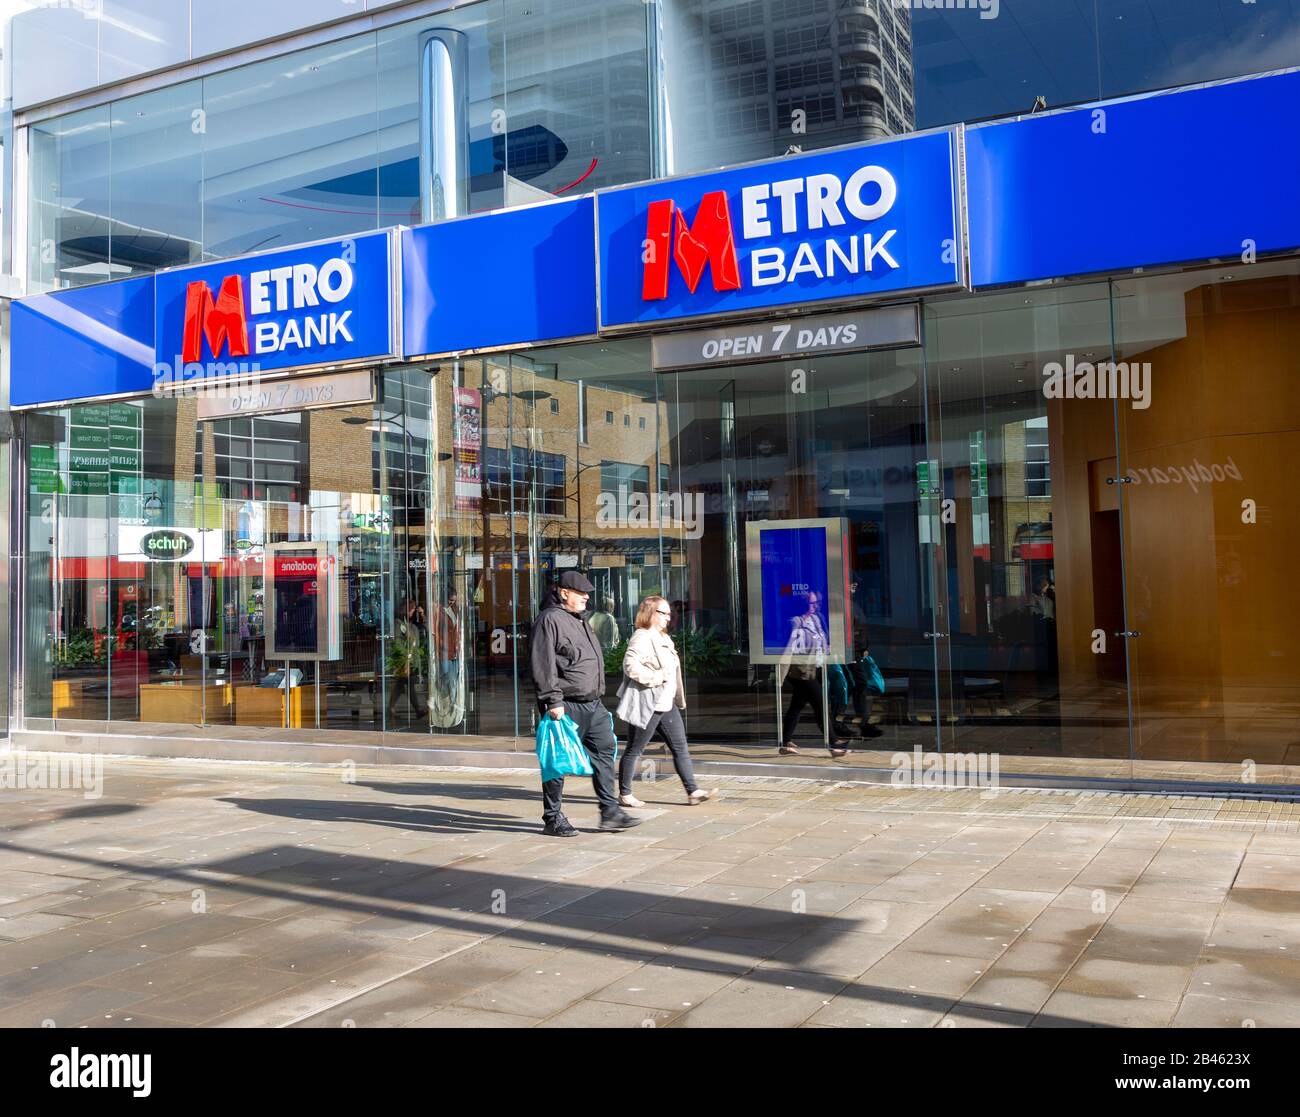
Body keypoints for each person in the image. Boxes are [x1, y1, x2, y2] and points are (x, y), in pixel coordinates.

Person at [530, 570, 642, 837]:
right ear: (564, 592)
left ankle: (610, 812)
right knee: (557, 762)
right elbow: (542, 663)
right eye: (580, 593)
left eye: (587, 594)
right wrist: (552, 700)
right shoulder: (549, 620)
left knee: (604, 751)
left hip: (593, 704)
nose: (586, 598)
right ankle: (553, 818)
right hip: (565, 705)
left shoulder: (579, 619)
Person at [616, 595, 717, 808]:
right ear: (650, 614)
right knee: (635, 748)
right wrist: (656, 677)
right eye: (664, 613)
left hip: (666, 703)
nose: (668, 618)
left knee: (680, 747)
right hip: (649, 702)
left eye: (669, 614)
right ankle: (624, 794)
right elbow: (630, 666)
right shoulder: (642, 637)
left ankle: (693, 791)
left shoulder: (664, 638)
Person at [778, 590, 851, 757]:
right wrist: (780, 674)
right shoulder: (795, 622)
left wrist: (827, 648)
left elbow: (822, 640)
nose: (816, 605)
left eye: (817, 602)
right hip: (802, 672)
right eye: (812, 603)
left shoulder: (816, 619)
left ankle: (785, 741)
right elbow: (789, 647)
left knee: (796, 707)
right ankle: (833, 744)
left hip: (815, 669)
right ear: (804, 604)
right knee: (820, 706)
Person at [386, 598, 428, 725]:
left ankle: (391, 708)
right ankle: (417, 710)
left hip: (410, 661)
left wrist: (422, 615)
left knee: (400, 686)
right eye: (412, 609)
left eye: (414, 609)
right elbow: (397, 642)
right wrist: (405, 658)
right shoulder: (399, 624)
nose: (413, 611)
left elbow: (425, 629)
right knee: (408, 685)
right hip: (403, 661)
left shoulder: (411, 625)